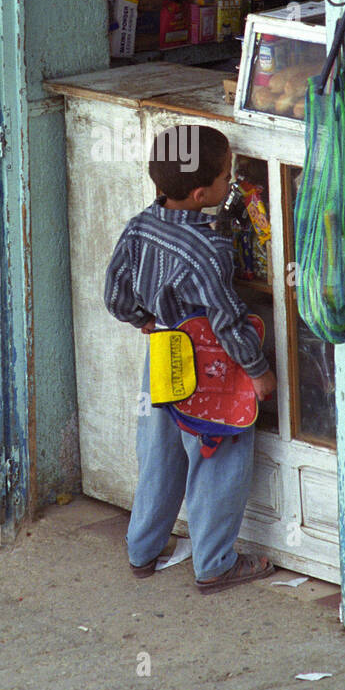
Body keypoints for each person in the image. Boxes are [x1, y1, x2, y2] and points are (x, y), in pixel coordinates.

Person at [104, 123, 278, 593]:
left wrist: (142, 318)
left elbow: (115, 294)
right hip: (209, 368)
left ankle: (142, 549)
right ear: (202, 193)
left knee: (159, 452)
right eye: (226, 179)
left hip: (162, 352)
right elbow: (226, 319)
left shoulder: (139, 225)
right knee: (216, 454)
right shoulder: (209, 248)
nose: (230, 185)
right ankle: (215, 563)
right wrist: (258, 371)